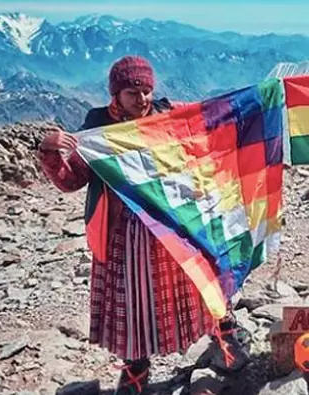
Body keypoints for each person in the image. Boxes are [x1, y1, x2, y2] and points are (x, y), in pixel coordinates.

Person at [36, 55, 251, 394]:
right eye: (132, 92)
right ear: (116, 94)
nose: (142, 99)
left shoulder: (167, 115)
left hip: (172, 221)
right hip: (122, 233)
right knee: (132, 302)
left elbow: (211, 117)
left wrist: (254, 105)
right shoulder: (96, 129)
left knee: (199, 278)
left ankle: (225, 337)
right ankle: (136, 370)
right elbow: (71, 181)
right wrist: (50, 153)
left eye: (147, 90)